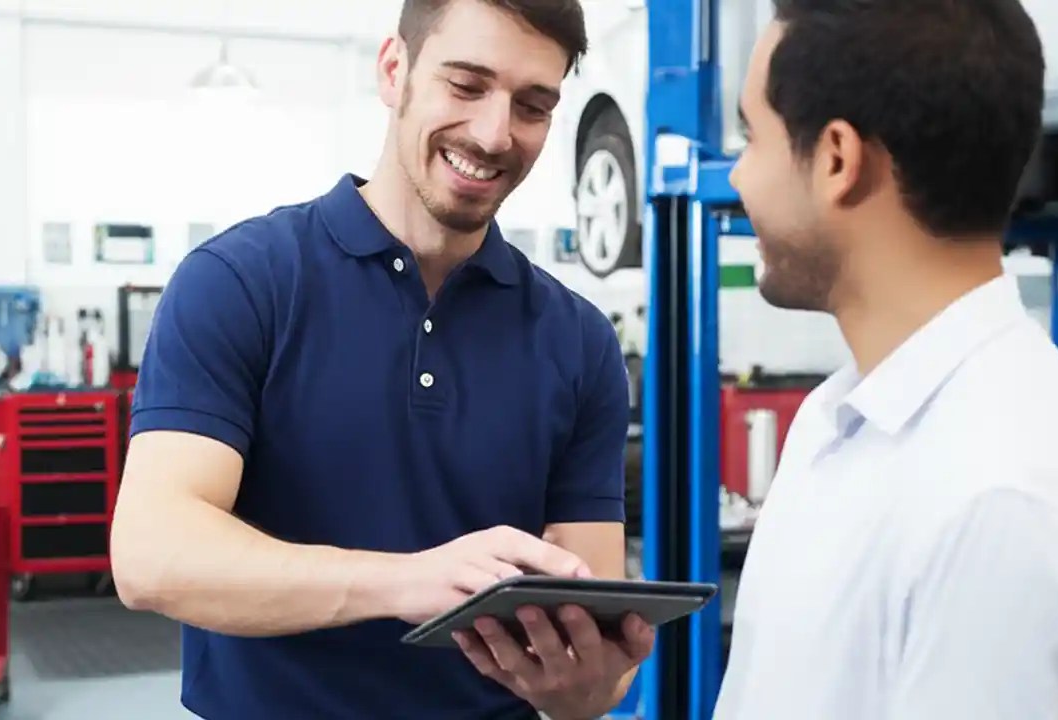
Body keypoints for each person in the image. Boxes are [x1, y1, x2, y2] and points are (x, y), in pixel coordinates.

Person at [109, 1, 655, 718]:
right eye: (466, 85)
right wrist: (406, 584)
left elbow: (594, 668)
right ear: (395, 70)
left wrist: (583, 684)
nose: (495, 134)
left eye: (532, 105)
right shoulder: (243, 282)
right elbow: (152, 554)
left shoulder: (578, 339)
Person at [714, 0, 1058, 718]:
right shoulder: (833, 424)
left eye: (750, 137)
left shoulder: (1006, 504)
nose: (736, 178)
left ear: (836, 158)